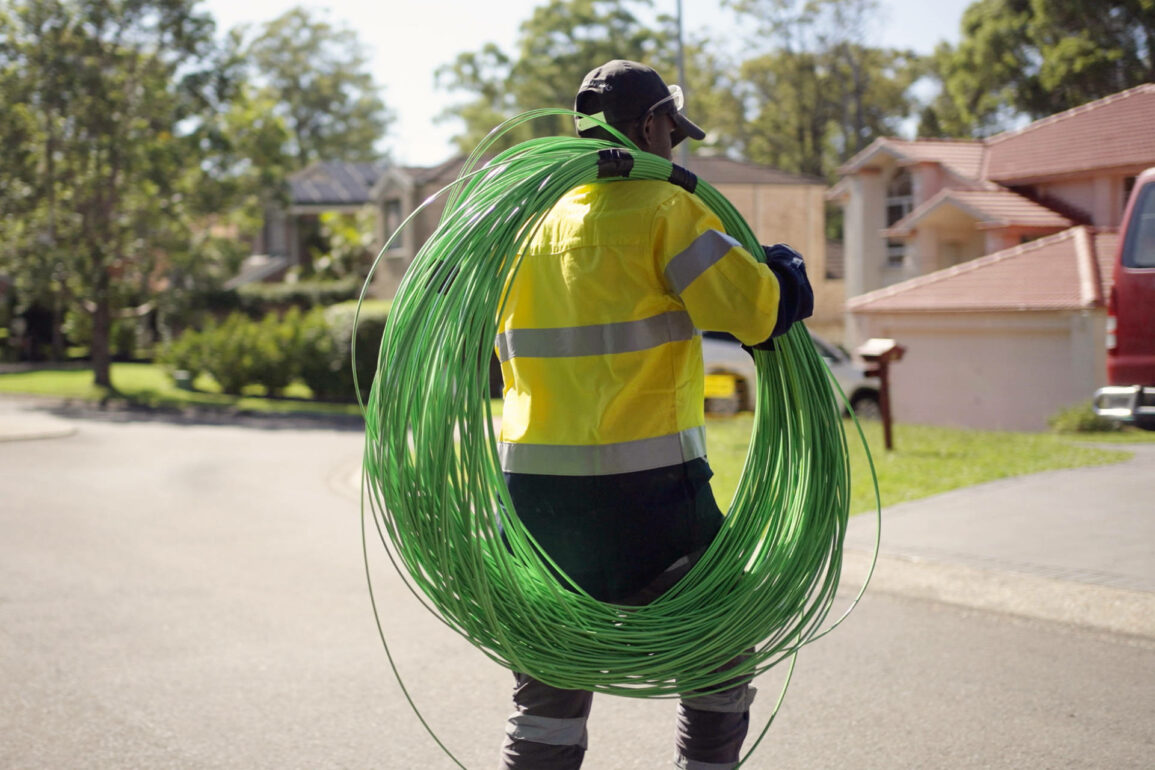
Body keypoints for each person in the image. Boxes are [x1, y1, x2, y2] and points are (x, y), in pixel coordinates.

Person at [495, 59, 813, 770]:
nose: (676, 150)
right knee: (720, 644)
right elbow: (754, 313)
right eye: (674, 131)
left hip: (532, 503)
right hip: (647, 497)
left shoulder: (527, 229)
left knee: (547, 689)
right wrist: (785, 272)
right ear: (649, 125)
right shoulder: (668, 209)